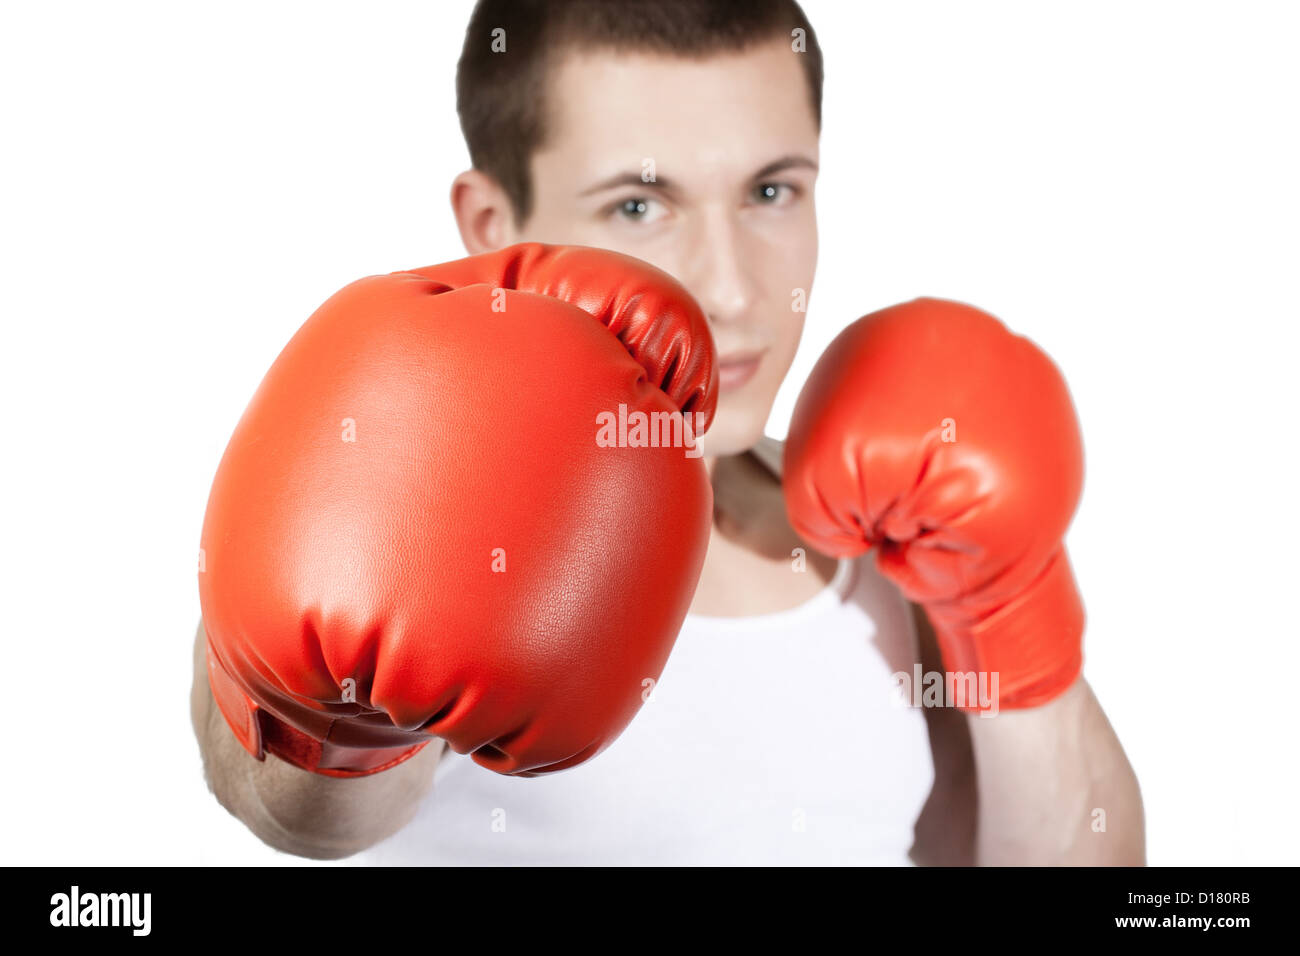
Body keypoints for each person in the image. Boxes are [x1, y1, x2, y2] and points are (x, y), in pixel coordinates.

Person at [191, 0, 1144, 865]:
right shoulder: (416, 489)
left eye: (772, 191)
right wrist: (343, 728)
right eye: (640, 206)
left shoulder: (894, 525)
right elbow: (290, 813)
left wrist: (1011, 604)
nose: (730, 290)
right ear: (492, 225)